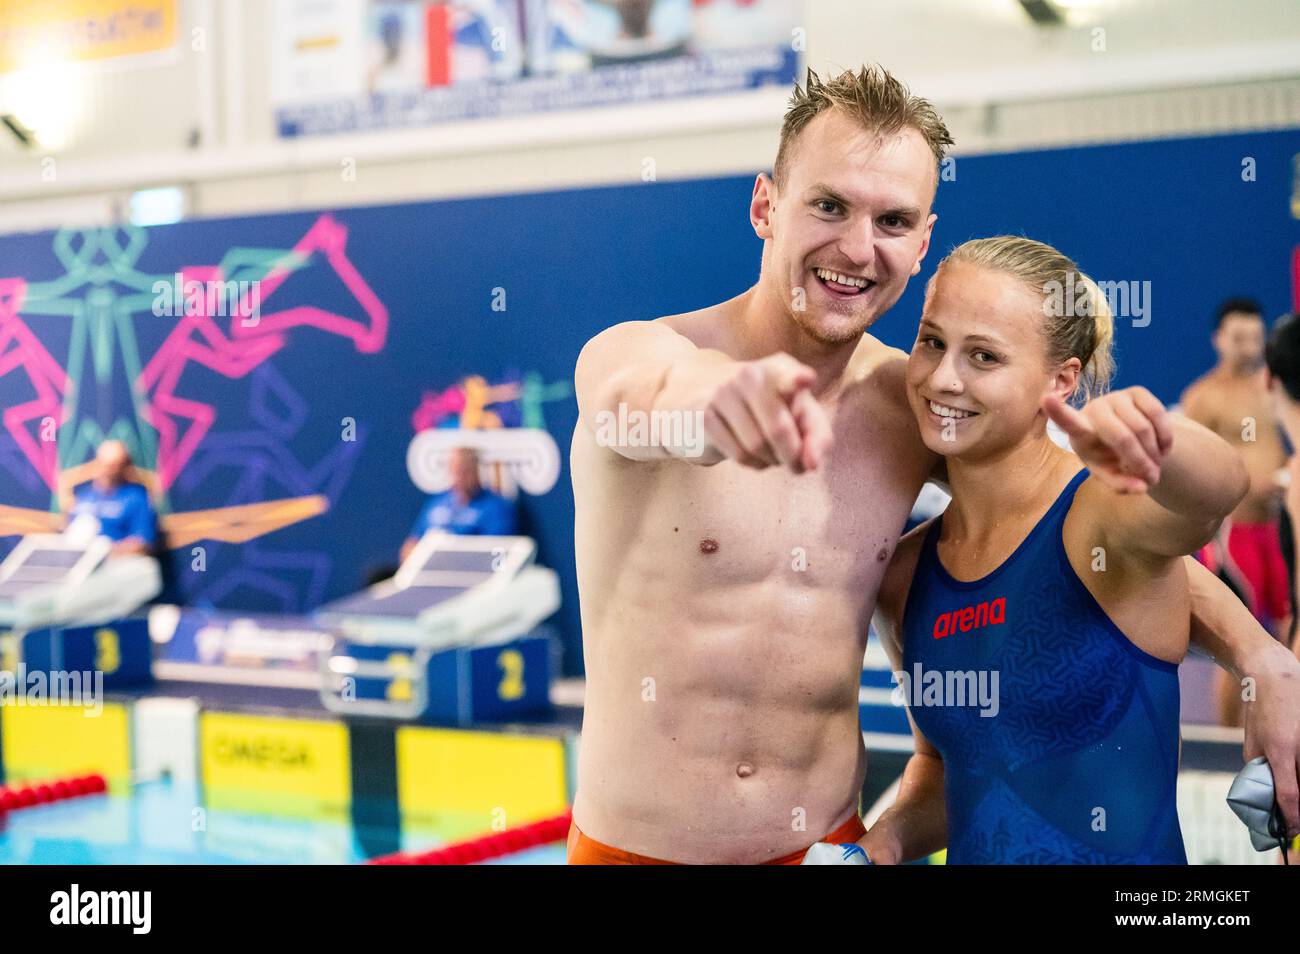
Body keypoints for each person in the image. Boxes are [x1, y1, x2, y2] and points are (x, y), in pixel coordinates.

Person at [569, 65, 1300, 865]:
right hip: (635, 849)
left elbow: (1085, 524)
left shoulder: (911, 405)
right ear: (764, 205)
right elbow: (639, 401)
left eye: (892, 220)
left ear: (922, 243)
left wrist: (1263, 654)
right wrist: (712, 409)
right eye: (829, 205)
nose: (856, 247)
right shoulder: (642, 353)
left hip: (824, 846)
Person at [867, 237, 1245, 863]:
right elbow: (942, 772)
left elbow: (1215, 495)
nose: (942, 377)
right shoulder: (904, 576)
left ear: (1063, 380)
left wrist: (1159, 440)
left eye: (984, 356)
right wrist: (879, 845)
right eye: (932, 341)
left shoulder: (1103, 520)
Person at [1182, 298, 1292, 725]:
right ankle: (1228, 740)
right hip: (1233, 536)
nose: (1249, 347)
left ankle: (1287, 726)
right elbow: (1189, 468)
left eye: (1256, 338)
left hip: (1276, 530)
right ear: (1219, 340)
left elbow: (1276, 447)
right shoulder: (1204, 397)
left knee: (1288, 627)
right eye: (1239, 338)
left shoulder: (1274, 387)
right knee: (1236, 643)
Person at [399, 447, 518, 563]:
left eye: (464, 471)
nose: (459, 478)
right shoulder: (437, 503)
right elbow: (410, 545)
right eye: (455, 471)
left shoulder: (496, 507)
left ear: (476, 470)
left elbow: (494, 555)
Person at [66, 440, 158, 557]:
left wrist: (104, 550)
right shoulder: (83, 497)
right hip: (78, 564)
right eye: (102, 463)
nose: (105, 470)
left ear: (124, 467)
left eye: (112, 466)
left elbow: (142, 543)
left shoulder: (136, 498)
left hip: (115, 566)